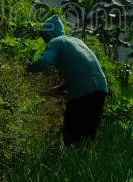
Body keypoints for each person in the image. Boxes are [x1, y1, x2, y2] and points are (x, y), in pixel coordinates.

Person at [27, 14, 109, 146]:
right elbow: (80, 73)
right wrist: (56, 90)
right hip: (101, 88)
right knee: (88, 135)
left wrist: (28, 68)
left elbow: (44, 62)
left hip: (82, 92)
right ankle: (84, 163)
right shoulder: (76, 41)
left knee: (71, 133)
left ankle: (68, 161)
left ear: (49, 33)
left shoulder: (56, 42)